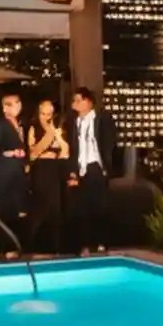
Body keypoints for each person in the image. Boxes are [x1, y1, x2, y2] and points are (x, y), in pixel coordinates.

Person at [67, 87, 115, 255]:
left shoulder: (102, 118)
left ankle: (102, 243)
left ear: (88, 102)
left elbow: (109, 142)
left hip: (96, 165)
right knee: (83, 208)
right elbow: (73, 148)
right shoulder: (73, 122)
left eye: (78, 100)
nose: (75, 104)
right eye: (74, 101)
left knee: (100, 206)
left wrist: (106, 166)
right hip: (81, 168)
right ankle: (85, 244)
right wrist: (73, 170)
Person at [0, 91, 28, 256]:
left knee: (15, 212)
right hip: (2, 177)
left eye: (17, 103)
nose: (15, 107)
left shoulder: (21, 124)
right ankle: (0, 249)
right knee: (2, 213)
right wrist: (9, 153)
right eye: (11, 104)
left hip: (17, 176)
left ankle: (14, 247)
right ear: (4, 108)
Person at [25, 98, 70, 255]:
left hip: (55, 168)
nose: (46, 117)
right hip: (41, 168)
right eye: (43, 114)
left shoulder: (57, 128)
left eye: (49, 114)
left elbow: (65, 151)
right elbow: (33, 153)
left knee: (56, 209)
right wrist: (48, 134)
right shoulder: (34, 128)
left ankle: (57, 247)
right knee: (40, 207)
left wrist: (57, 136)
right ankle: (31, 245)